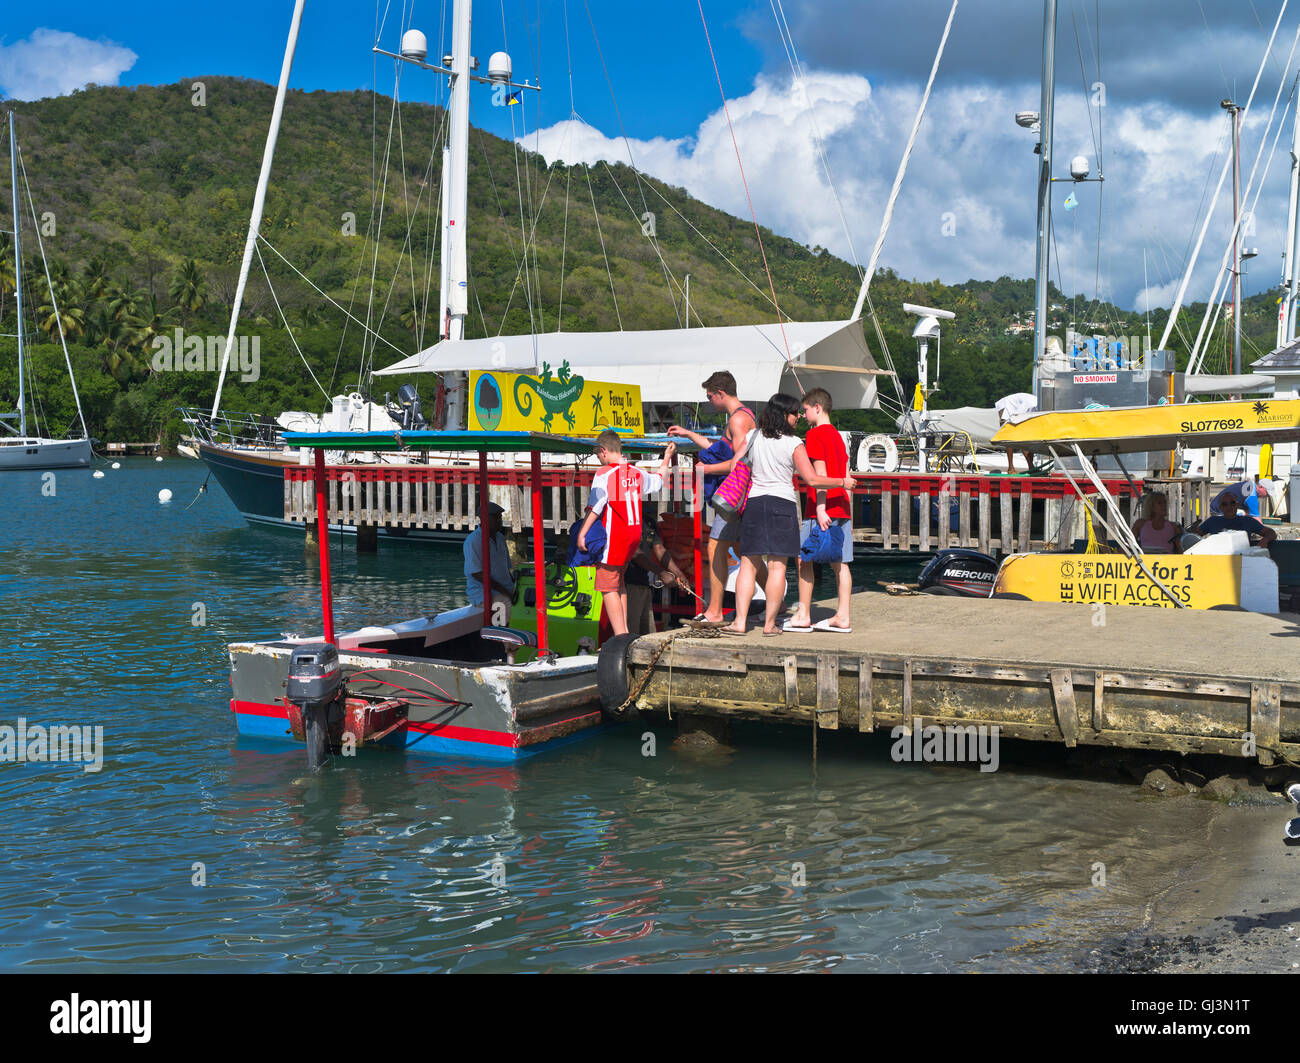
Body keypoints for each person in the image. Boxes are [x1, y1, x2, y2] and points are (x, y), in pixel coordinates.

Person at [720, 394, 855, 637]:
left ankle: (740, 622)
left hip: (753, 503)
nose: (798, 418)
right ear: (784, 414)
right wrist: (842, 481)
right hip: (781, 504)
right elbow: (812, 479)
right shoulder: (794, 443)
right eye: (794, 413)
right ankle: (770, 625)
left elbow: (734, 465)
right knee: (777, 567)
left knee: (748, 565)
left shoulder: (753, 436)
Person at [667, 372, 763, 624]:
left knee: (715, 546)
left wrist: (704, 470)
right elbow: (717, 448)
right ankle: (780, 602)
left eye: (710, 396)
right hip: (745, 495)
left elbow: (739, 462)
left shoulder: (739, 421)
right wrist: (689, 434)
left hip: (737, 496)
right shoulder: (742, 416)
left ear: (720, 393)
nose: (709, 401)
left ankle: (715, 611)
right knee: (744, 549)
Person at [576, 431, 676, 636]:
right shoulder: (636, 473)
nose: (599, 460)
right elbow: (658, 482)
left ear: (603, 451)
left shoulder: (605, 474)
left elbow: (595, 505)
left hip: (616, 535)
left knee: (607, 585)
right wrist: (667, 457)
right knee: (619, 582)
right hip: (633, 537)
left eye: (598, 456)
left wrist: (582, 533)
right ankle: (624, 632)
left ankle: (621, 636)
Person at [787, 388, 853, 632]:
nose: (803, 415)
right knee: (841, 564)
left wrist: (821, 508)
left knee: (804, 560)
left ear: (817, 407)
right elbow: (846, 477)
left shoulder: (814, 436)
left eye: (805, 410)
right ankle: (842, 616)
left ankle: (803, 615)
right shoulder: (839, 436)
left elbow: (820, 475)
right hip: (842, 507)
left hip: (821, 509)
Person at [464, 502, 515, 625]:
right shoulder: (473, 541)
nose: (499, 520)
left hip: (504, 588)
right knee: (506, 605)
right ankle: (506, 643)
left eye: (500, 517)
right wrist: (505, 591)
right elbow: (477, 574)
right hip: (483, 593)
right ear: (484, 518)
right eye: (496, 517)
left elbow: (506, 568)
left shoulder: (500, 538)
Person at [1192, 491, 1276, 547]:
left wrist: (1265, 540)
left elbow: (1271, 533)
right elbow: (1193, 537)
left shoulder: (1248, 521)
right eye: (1225, 504)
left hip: (1242, 560)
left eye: (1232, 503)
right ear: (1220, 507)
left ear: (1237, 505)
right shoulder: (1212, 521)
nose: (1229, 507)